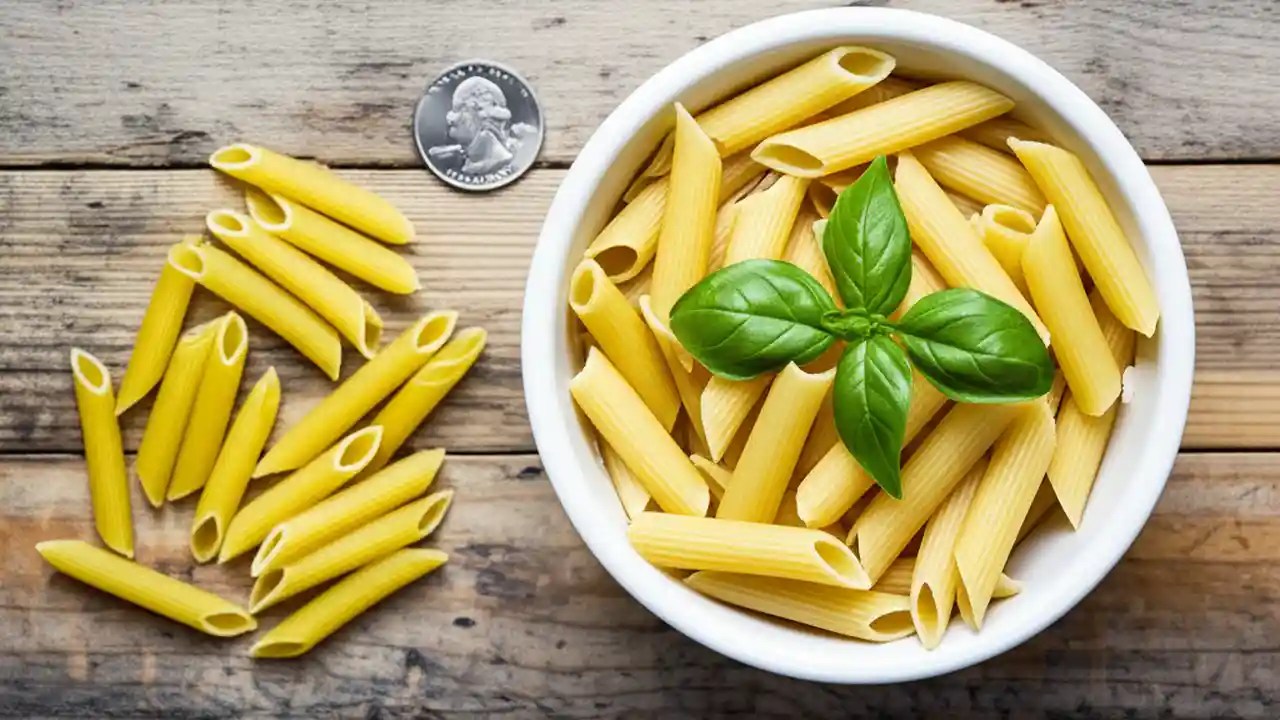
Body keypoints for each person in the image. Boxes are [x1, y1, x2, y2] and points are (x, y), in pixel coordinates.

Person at [429, 76, 535, 175]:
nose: (451, 119)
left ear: (479, 113)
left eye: (460, 109)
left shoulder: (498, 160)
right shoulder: (464, 156)